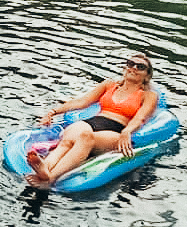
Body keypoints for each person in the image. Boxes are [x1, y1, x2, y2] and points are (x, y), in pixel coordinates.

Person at [25, 53, 159, 189]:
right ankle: (44, 168)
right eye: (131, 64)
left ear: (147, 76)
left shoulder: (148, 95)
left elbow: (141, 117)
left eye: (140, 67)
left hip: (116, 129)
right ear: (125, 67)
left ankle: (50, 178)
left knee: (85, 136)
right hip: (93, 121)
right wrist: (52, 112)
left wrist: (127, 131)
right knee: (67, 142)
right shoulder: (109, 85)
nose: (134, 68)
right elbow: (82, 101)